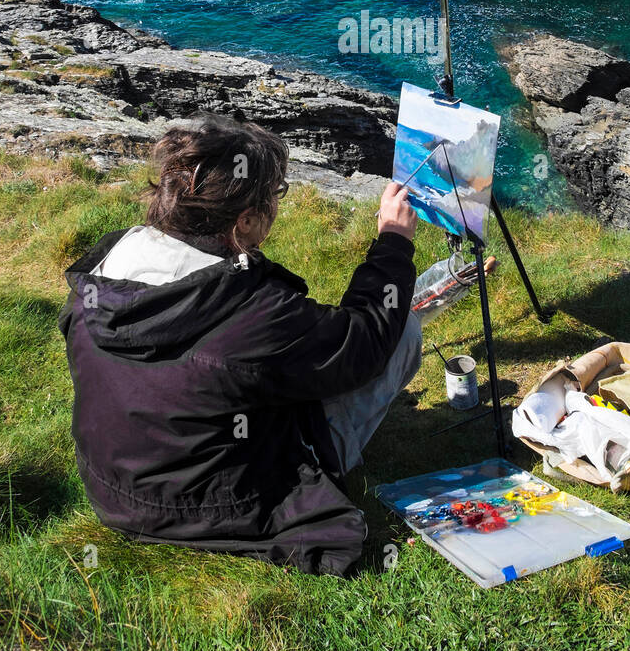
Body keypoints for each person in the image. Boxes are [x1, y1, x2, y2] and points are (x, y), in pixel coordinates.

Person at [59, 118, 419, 576]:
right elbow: (363, 343)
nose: (276, 208)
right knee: (402, 331)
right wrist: (393, 241)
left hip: (116, 495)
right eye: (273, 198)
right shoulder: (253, 311)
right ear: (245, 220)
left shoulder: (103, 273)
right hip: (218, 507)